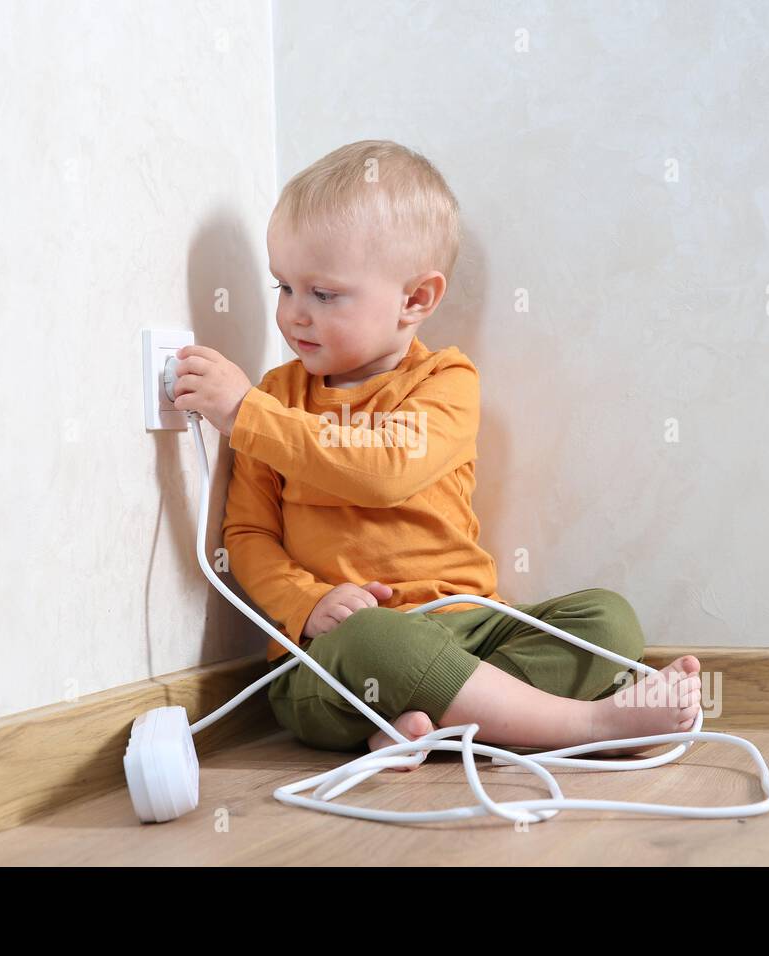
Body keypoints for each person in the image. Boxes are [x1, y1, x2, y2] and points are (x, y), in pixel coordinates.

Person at [169, 140, 701, 765]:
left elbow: (383, 472)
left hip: (468, 630)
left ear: (416, 300)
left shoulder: (445, 384)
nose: (295, 315)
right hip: (338, 657)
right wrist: (306, 604)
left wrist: (243, 416)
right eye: (284, 287)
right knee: (378, 642)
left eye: (324, 294)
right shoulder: (273, 400)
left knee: (606, 620)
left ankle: (442, 721)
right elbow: (249, 535)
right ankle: (585, 728)